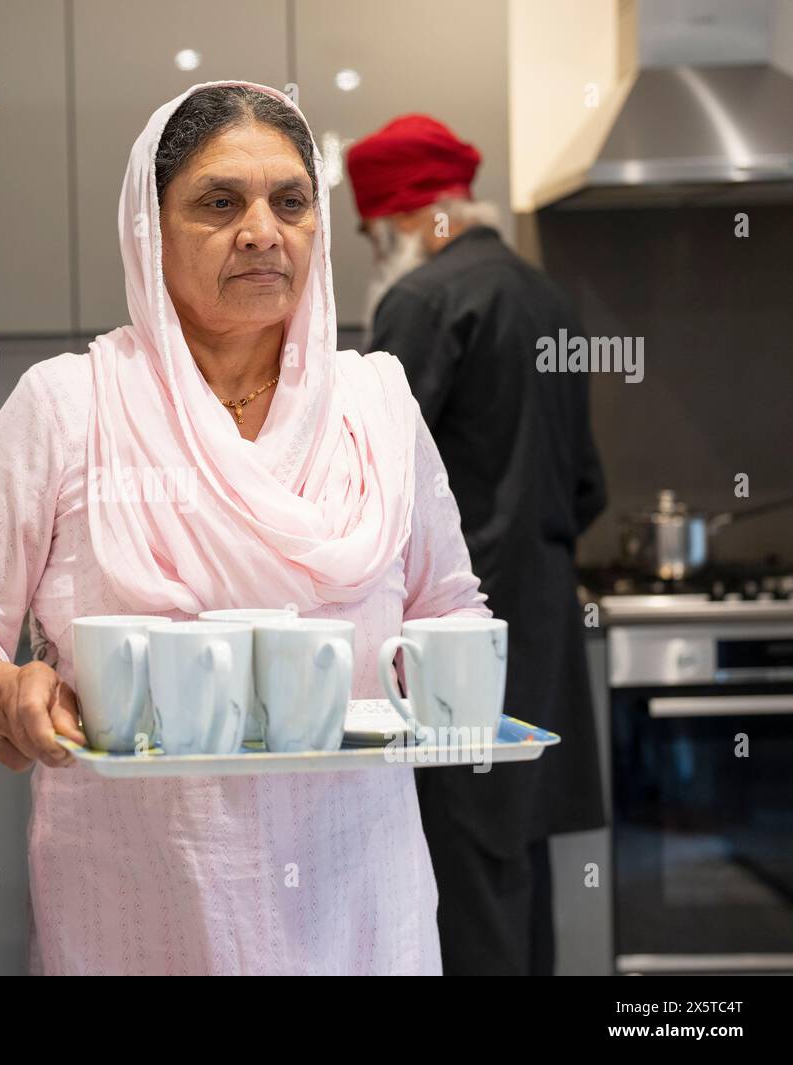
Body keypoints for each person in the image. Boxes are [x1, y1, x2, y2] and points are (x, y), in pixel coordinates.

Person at [0, 82, 491, 975]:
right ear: (151, 227)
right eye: (220, 203)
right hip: (141, 903)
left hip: (360, 900)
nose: (263, 229)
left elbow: (447, 601)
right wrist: (0, 695)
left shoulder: (375, 404)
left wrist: (449, 692)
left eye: (291, 202)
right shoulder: (72, 405)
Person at [346, 114, 608, 975]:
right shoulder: (547, 294)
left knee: (463, 891)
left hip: (454, 649)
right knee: (517, 873)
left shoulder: (421, 302)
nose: (372, 249)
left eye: (368, 230)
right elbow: (588, 486)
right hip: (542, 625)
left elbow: (368, 489)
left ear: (400, 219)